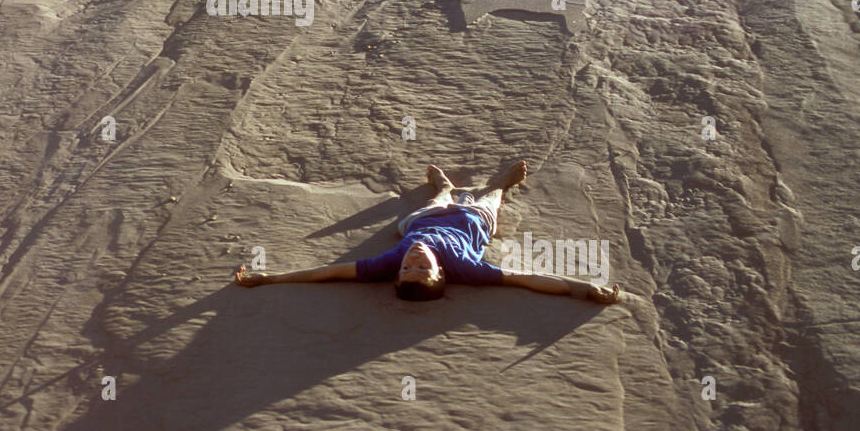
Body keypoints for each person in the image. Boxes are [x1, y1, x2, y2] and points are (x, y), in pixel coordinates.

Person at [234, 161, 623, 304]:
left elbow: (327, 273)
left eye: (408, 270)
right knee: (490, 202)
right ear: (442, 275)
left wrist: (270, 277)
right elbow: (526, 279)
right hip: (473, 223)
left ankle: (445, 189)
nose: (414, 261)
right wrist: (584, 287)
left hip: (421, 220)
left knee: (433, 203)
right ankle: (502, 185)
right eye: (422, 269)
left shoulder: (388, 261)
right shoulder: (468, 270)